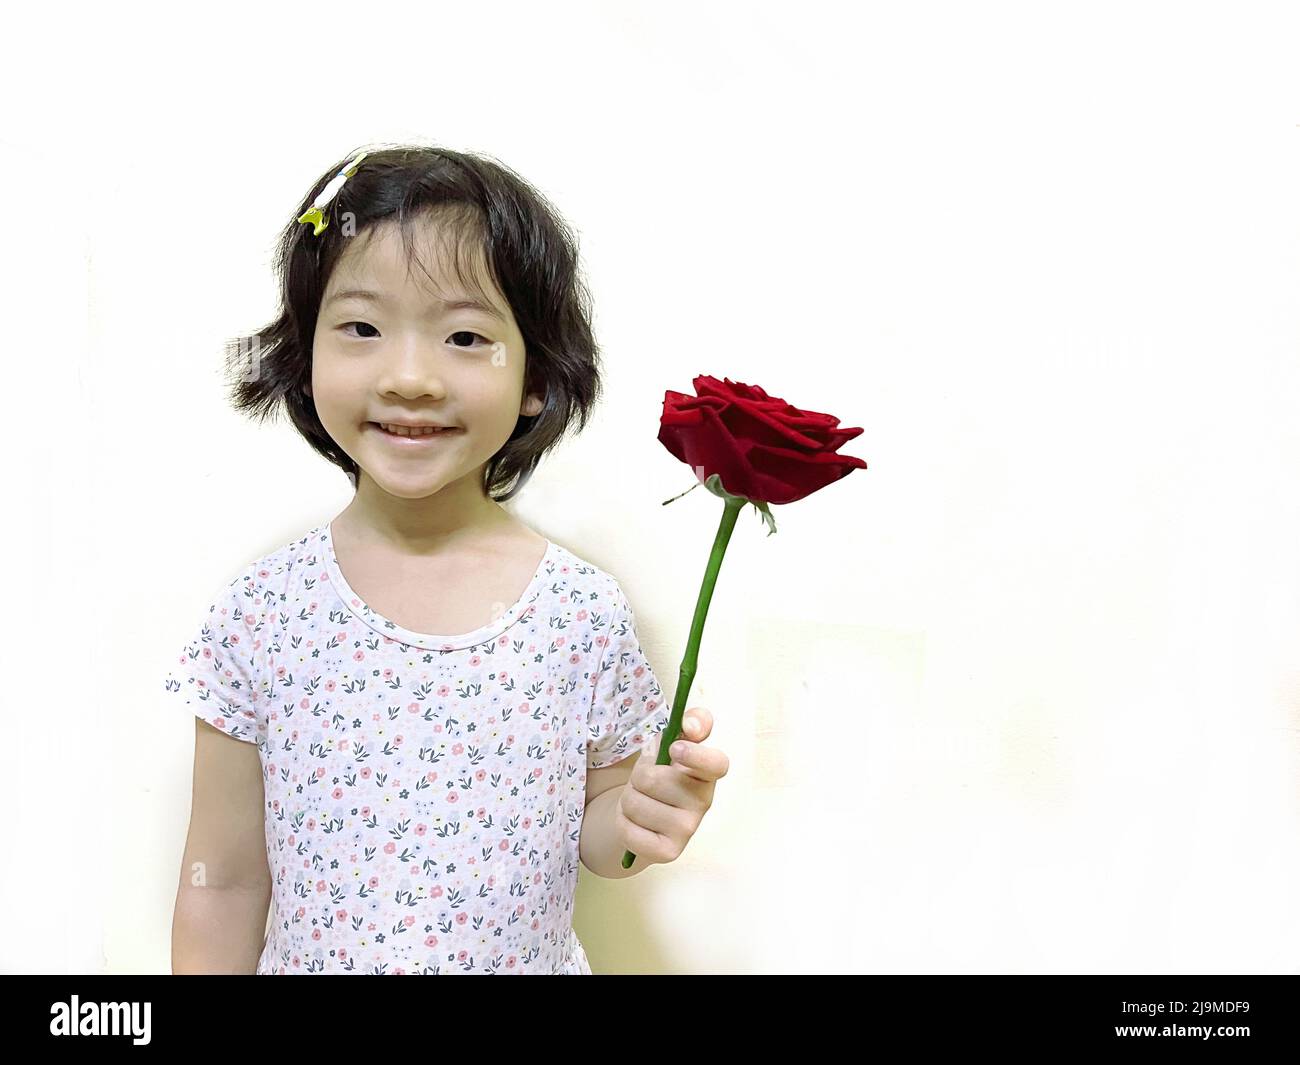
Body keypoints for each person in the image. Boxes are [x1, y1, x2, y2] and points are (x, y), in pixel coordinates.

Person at [165, 144, 720, 974]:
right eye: (361, 327)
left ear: (537, 375)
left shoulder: (583, 613)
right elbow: (223, 883)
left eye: (465, 336)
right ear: (304, 353)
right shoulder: (261, 611)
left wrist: (642, 818)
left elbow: (602, 839)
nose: (411, 377)